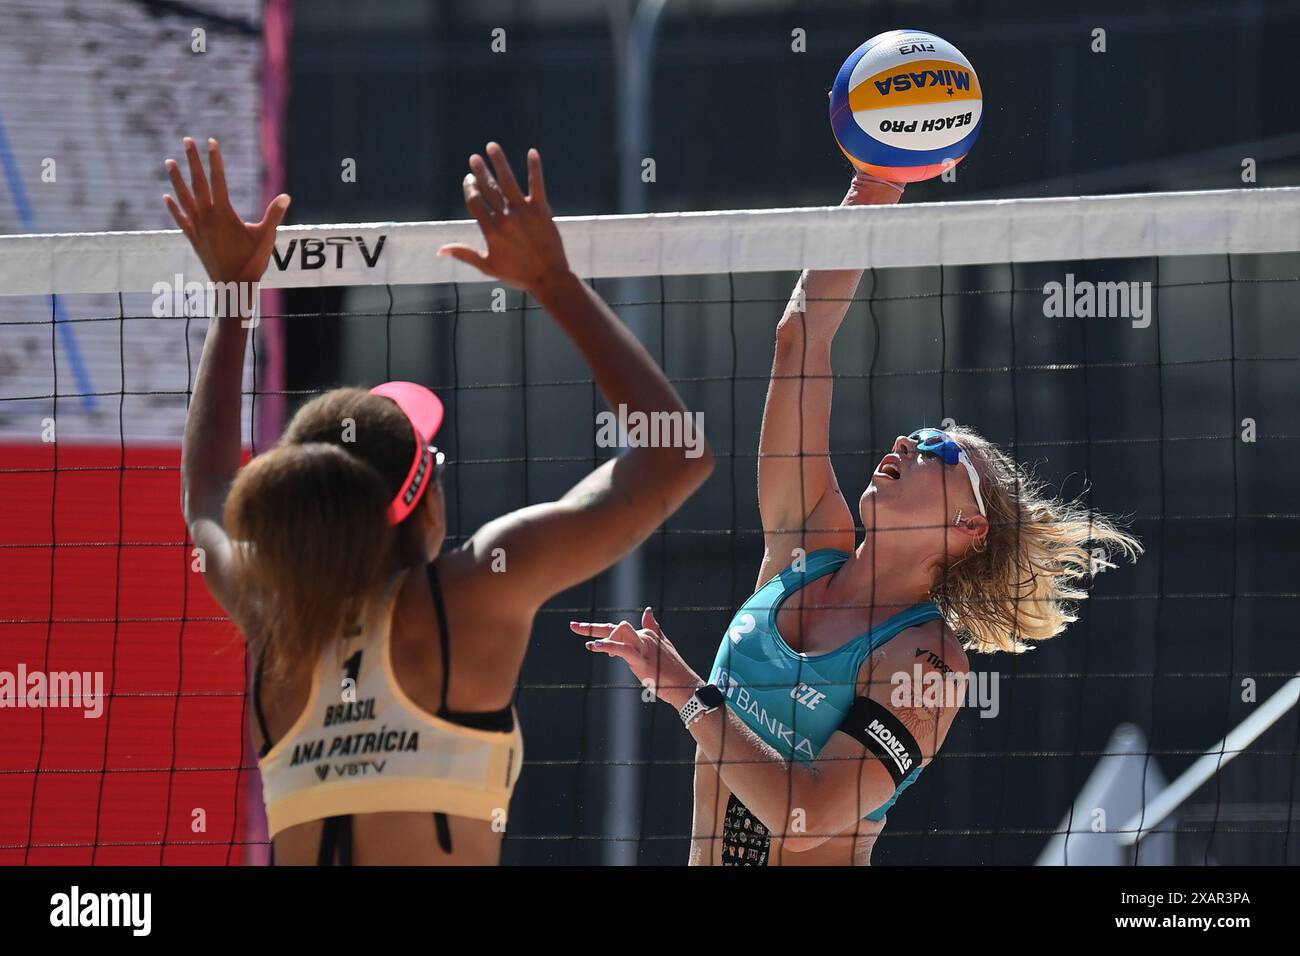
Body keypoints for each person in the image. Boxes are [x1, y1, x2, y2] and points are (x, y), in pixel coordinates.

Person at [167, 137, 713, 864]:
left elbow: (206, 496)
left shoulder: (275, 616)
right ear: (426, 504)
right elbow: (677, 454)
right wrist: (552, 282)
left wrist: (233, 293)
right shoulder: (471, 593)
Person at [576, 171, 1141, 865]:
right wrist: (869, 190)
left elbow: (804, 816)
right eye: (916, 432)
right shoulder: (808, 543)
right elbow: (799, 339)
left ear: (971, 527)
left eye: (938, 450)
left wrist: (688, 694)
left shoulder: (927, 661)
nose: (907, 442)